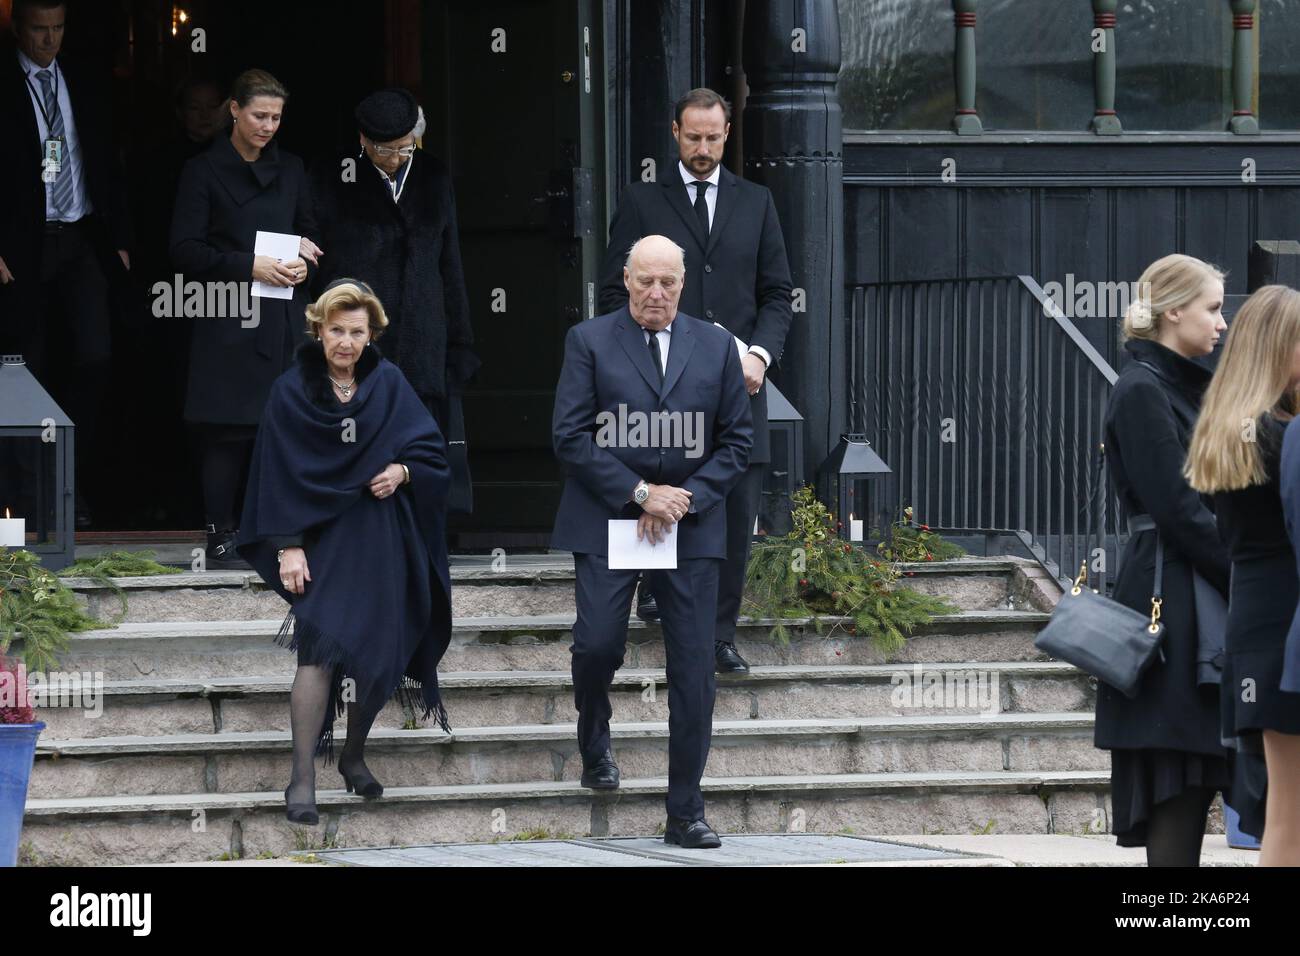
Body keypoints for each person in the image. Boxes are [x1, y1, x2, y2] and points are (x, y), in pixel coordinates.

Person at [552, 235, 752, 848]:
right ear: (627, 280)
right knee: (596, 645)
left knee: (694, 670)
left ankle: (684, 811)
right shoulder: (589, 341)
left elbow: (737, 442)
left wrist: (679, 498)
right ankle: (595, 738)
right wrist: (641, 493)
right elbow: (570, 436)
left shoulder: (716, 346)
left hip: (688, 527)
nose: (656, 294)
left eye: (667, 283)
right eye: (645, 282)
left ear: (683, 284)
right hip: (612, 519)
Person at [236, 279, 453, 824]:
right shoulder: (291, 391)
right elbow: (276, 471)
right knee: (318, 655)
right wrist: (287, 546)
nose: (347, 343)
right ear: (318, 329)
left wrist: (403, 471)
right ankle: (301, 777)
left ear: (372, 334)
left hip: (381, 536)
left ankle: (353, 753)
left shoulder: (390, 384)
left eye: (358, 332)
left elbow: (430, 450)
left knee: (379, 657)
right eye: (337, 331)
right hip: (320, 542)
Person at [597, 88, 793, 675]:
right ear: (674, 132)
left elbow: (777, 294)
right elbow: (613, 292)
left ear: (727, 132)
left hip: (738, 388)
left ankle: (717, 638)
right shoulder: (640, 200)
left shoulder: (757, 202)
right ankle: (651, 591)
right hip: (658, 394)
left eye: (713, 138)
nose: (703, 149)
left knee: (734, 513)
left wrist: (759, 356)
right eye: (692, 137)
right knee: (659, 494)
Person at [1095, 254, 1232, 866]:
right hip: (1171, 602)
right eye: (1212, 308)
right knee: (1177, 782)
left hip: (1192, 595)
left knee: (1195, 774)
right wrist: (1246, 572)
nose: (1221, 324)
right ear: (1174, 311)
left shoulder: (1174, 386)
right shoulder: (1142, 389)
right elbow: (1176, 506)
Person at [170, 68, 321, 568]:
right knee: (226, 429)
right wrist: (246, 263)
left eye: (276, 117)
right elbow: (184, 250)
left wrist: (304, 259)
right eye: (259, 115)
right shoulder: (202, 170)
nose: (268, 126)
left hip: (280, 314)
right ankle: (220, 534)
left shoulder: (293, 168)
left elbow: (310, 232)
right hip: (226, 312)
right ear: (233, 110)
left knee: (281, 427)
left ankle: (278, 533)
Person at [310, 87, 478, 513]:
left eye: (408, 147)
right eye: (389, 149)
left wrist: (459, 342)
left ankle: (423, 536)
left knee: (419, 441)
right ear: (364, 141)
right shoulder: (333, 178)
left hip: (424, 332)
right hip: (357, 336)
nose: (401, 156)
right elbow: (317, 264)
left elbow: (450, 263)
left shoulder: (433, 176)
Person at [0, 0, 133, 529]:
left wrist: (120, 237)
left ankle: (68, 479)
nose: (48, 40)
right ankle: (31, 500)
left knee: (95, 356)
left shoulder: (85, 76)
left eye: (57, 29)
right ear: (18, 27)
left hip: (81, 234)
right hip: (22, 244)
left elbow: (108, 156)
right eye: (39, 29)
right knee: (22, 368)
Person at [1188, 283, 1300, 866]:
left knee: (1284, 814)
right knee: (1289, 816)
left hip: (1254, 626)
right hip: (1285, 627)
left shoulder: (1230, 429)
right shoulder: (1280, 435)